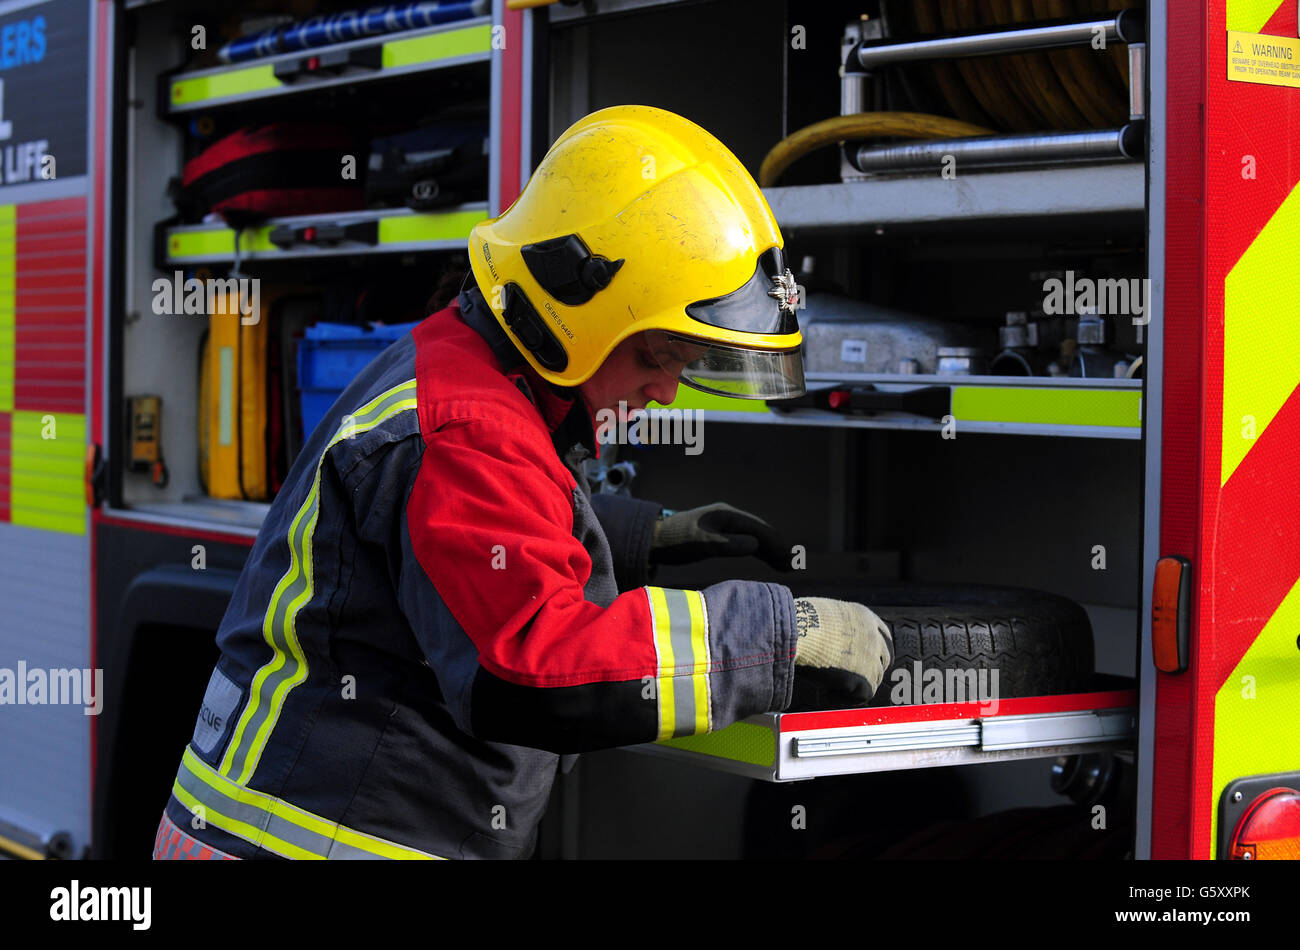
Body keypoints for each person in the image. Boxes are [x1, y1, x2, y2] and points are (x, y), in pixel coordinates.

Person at [152, 104, 893, 861]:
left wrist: (638, 535)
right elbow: (538, 671)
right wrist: (777, 637)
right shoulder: (467, 426)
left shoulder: (462, 363)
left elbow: (461, 539)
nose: (668, 392)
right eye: (659, 355)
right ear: (585, 313)